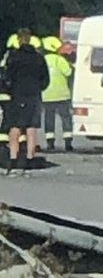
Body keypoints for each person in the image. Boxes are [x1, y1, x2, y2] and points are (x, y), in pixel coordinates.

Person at [2, 30, 49, 175]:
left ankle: (14, 159)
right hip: (33, 96)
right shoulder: (39, 58)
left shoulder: (13, 57)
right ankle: (29, 159)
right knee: (31, 128)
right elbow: (45, 80)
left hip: (17, 95)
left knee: (14, 127)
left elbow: (7, 77)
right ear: (30, 40)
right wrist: (37, 89)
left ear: (18, 39)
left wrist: (10, 89)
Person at [41, 36, 74, 151]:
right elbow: (68, 72)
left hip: (46, 95)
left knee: (49, 118)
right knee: (66, 118)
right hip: (62, 95)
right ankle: (68, 142)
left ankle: (50, 143)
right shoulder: (59, 60)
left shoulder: (42, 59)